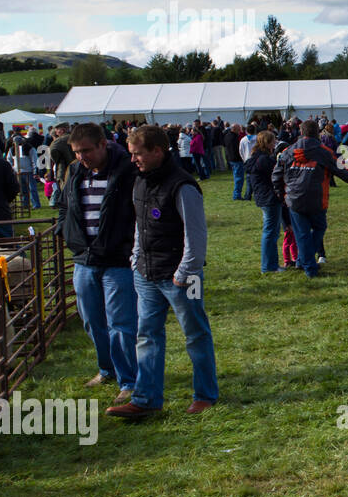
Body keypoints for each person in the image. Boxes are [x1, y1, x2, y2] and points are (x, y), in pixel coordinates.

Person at [106, 125, 216, 418]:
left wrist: (185, 272)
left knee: (195, 334)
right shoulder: (140, 182)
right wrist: (135, 259)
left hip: (182, 277)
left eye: (138, 154)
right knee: (147, 335)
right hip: (146, 274)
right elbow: (141, 226)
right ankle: (145, 399)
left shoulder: (183, 185)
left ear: (157, 151)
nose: (133, 160)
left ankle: (205, 395)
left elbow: (196, 235)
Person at [61, 123, 139, 403]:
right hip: (84, 258)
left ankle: (129, 380)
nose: (81, 156)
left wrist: (129, 245)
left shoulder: (127, 170)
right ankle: (106, 369)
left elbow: (138, 208)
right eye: (77, 152)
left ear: (103, 144)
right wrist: (66, 230)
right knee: (92, 320)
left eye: (86, 151)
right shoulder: (74, 172)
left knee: (121, 323)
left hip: (117, 259)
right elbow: (64, 205)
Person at [271, 120, 348, 279]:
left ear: (301, 132)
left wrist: (282, 195)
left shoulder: (288, 151)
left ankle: (302, 261)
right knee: (319, 228)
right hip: (316, 200)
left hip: (294, 200)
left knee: (302, 235)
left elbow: (276, 176)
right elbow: (343, 171)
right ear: (317, 133)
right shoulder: (324, 152)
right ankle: (310, 268)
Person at [245, 130, 283, 273]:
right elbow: (275, 176)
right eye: (273, 141)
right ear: (267, 143)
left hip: (264, 197)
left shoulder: (257, 157)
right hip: (269, 198)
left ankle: (271, 264)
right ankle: (268, 266)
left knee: (271, 232)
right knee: (271, 232)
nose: (275, 143)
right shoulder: (264, 159)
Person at [9, 135, 38, 209]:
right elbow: (9, 160)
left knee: (32, 189)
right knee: (22, 190)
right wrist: (12, 169)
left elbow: (34, 160)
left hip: (29, 172)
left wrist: (35, 171)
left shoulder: (29, 148)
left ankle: (36, 205)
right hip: (18, 173)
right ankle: (25, 204)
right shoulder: (12, 149)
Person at [0, 147, 17, 237]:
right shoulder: (3, 164)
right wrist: (5, 200)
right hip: (0, 209)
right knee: (8, 244)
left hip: (0, 208)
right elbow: (13, 187)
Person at [225, 124, 246, 200]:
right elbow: (237, 150)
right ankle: (237, 195)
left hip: (231, 159)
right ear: (234, 129)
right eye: (238, 129)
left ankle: (236, 194)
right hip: (236, 159)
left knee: (237, 177)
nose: (240, 130)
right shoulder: (234, 137)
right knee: (239, 178)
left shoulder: (227, 136)